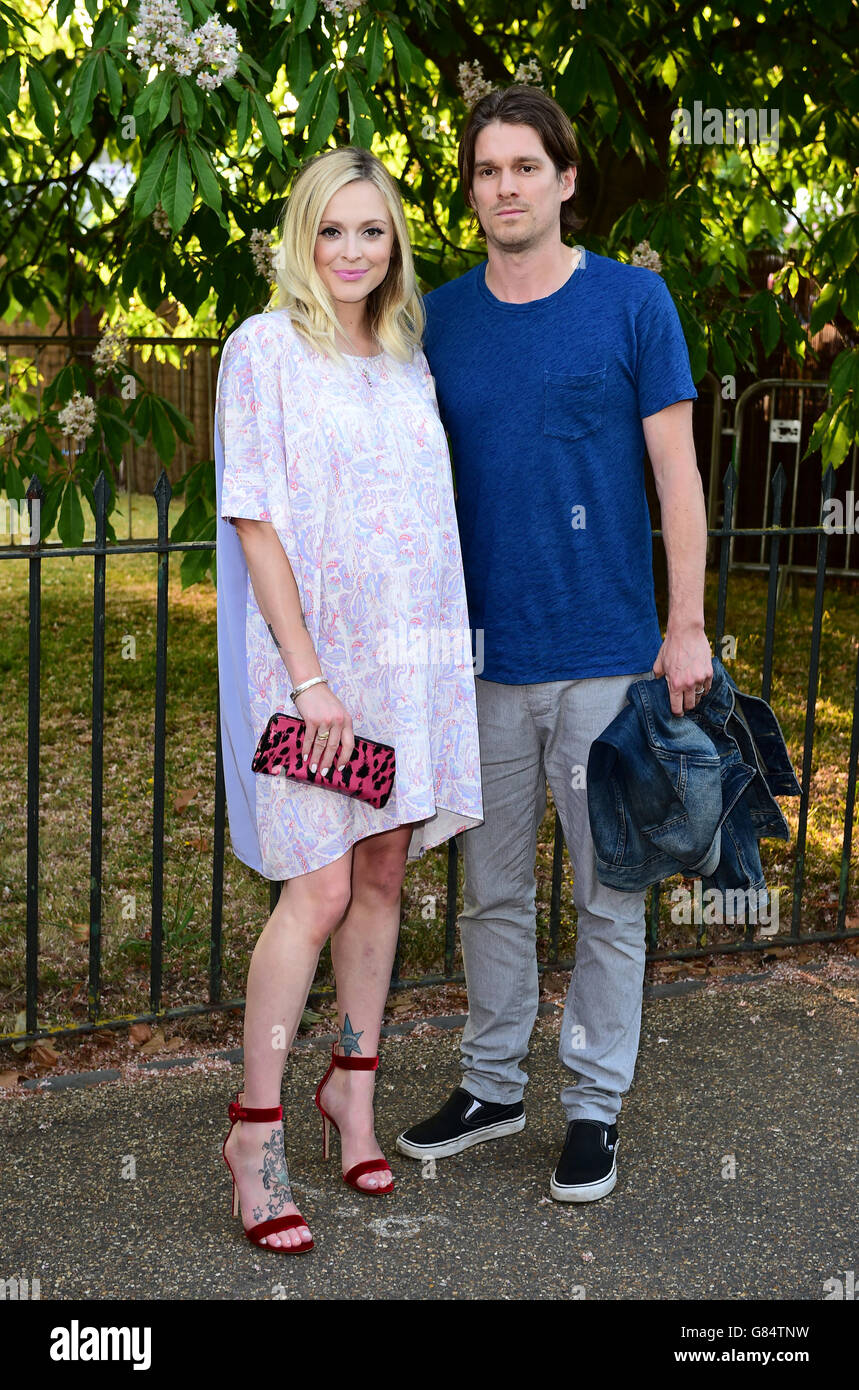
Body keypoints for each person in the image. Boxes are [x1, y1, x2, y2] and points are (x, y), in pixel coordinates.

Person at [396, 85, 713, 1202]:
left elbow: (677, 478)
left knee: (605, 894)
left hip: (606, 656)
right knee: (485, 895)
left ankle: (591, 1105)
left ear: (566, 180)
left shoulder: (633, 305)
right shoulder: (436, 320)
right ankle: (491, 1083)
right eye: (486, 172)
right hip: (479, 662)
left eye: (525, 167)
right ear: (472, 189)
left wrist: (685, 626)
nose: (504, 188)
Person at [215, 147, 483, 1251]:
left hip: (404, 672)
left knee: (382, 873)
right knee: (315, 893)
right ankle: (255, 1130)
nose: (352, 252)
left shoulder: (408, 357)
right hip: (312, 679)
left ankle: (353, 1093)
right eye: (333, 230)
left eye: (372, 233)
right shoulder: (263, 349)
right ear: (302, 237)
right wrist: (311, 678)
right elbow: (255, 520)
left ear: (395, 247)